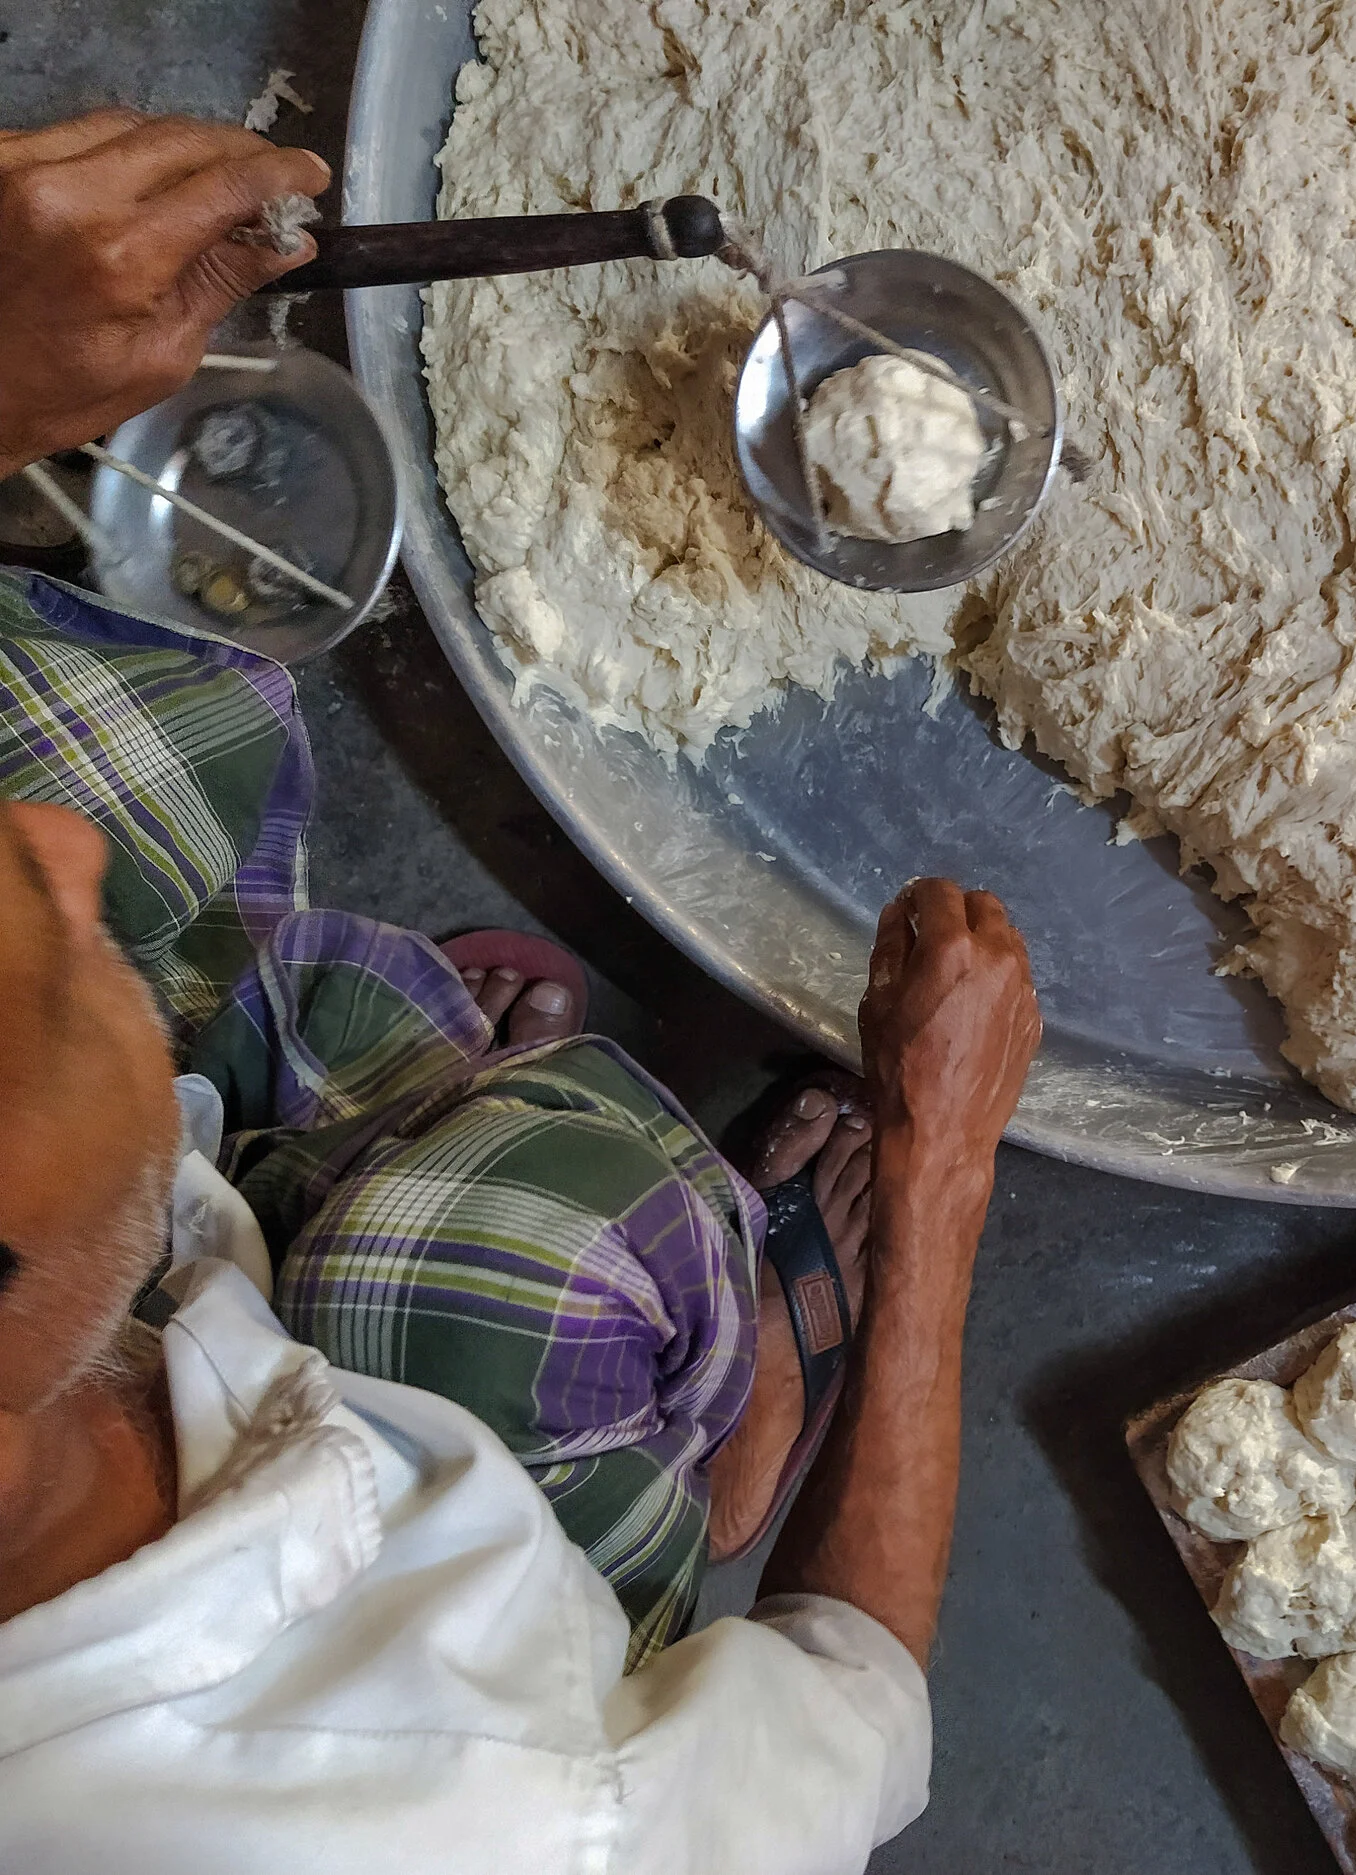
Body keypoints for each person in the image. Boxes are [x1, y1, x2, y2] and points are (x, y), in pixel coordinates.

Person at [0, 110, 1043, 1869]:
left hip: (151, 1285)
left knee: (160, 731)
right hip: (425, 1576)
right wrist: (942, 1168)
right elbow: (856, 1704)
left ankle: (284, 1071)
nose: (57, 855)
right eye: (44, 964)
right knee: (560, 1234)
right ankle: (723, 1414)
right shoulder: (485, 1804)